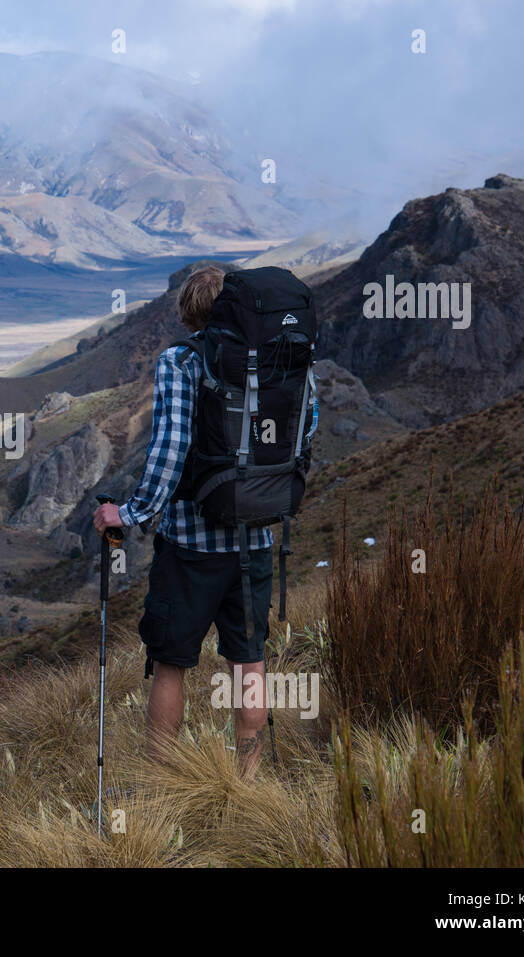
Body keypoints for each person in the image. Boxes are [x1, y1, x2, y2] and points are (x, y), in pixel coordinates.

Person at [91, 265, 316, 777]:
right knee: (249, 660)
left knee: (170, 663)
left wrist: (128, 513)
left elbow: (170, 450)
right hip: (255, 536)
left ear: (190, 310)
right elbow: (307, 427)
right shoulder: (285, 357)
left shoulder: (182, 360)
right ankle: (249, 784)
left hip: (190, 544)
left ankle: (163, 784)